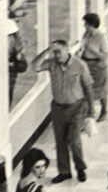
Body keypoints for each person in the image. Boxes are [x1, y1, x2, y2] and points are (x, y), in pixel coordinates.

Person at [33, 40, 95, 183]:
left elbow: (88, 87)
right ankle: (64, 172)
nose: (56, 55)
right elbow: (35, 66)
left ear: (67, 50)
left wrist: (91, 111)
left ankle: (80, 168)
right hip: (58, 108)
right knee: (60, 141)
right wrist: (46, 51)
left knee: (74, 140)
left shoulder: (80, 65)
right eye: (54, 52)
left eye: (58, 52)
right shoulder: (51, 64)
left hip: (77, 107)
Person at [80, 12, 108, 121]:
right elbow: (83, 47)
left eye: (86, 24)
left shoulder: (101, 37)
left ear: (91, 24)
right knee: (87, 89)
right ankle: (89, 113)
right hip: (86, 64)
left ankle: (104, 111)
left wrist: (92, 50)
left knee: (101, 90)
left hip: (97, 66)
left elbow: (104, 56)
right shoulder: (86, 35)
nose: (84, 26)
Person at [7, 12, 26, 107]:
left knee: (8, 90)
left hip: (10, 69)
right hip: (8, 69)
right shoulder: (15, 38)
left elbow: (22, 65)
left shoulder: (16, 39)